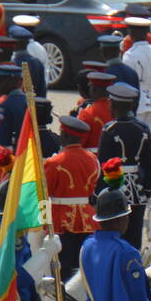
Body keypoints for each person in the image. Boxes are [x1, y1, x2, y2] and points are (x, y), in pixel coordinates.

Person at [97, 83, 151, 251]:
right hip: (137, 189)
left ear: (113, 105)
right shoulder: (142, 129)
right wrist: (147, 190)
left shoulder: (109, 130)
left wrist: (98, 193)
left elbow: (103, 164)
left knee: (113, 234)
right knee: (134, 234)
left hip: (115, 187)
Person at [44, 115, 98, 282]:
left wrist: (43, 221)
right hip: (88, 218)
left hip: (61, 218)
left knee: (63, 268)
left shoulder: (54, 162)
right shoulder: (93, 159)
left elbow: (44, 193)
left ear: (64, 135)